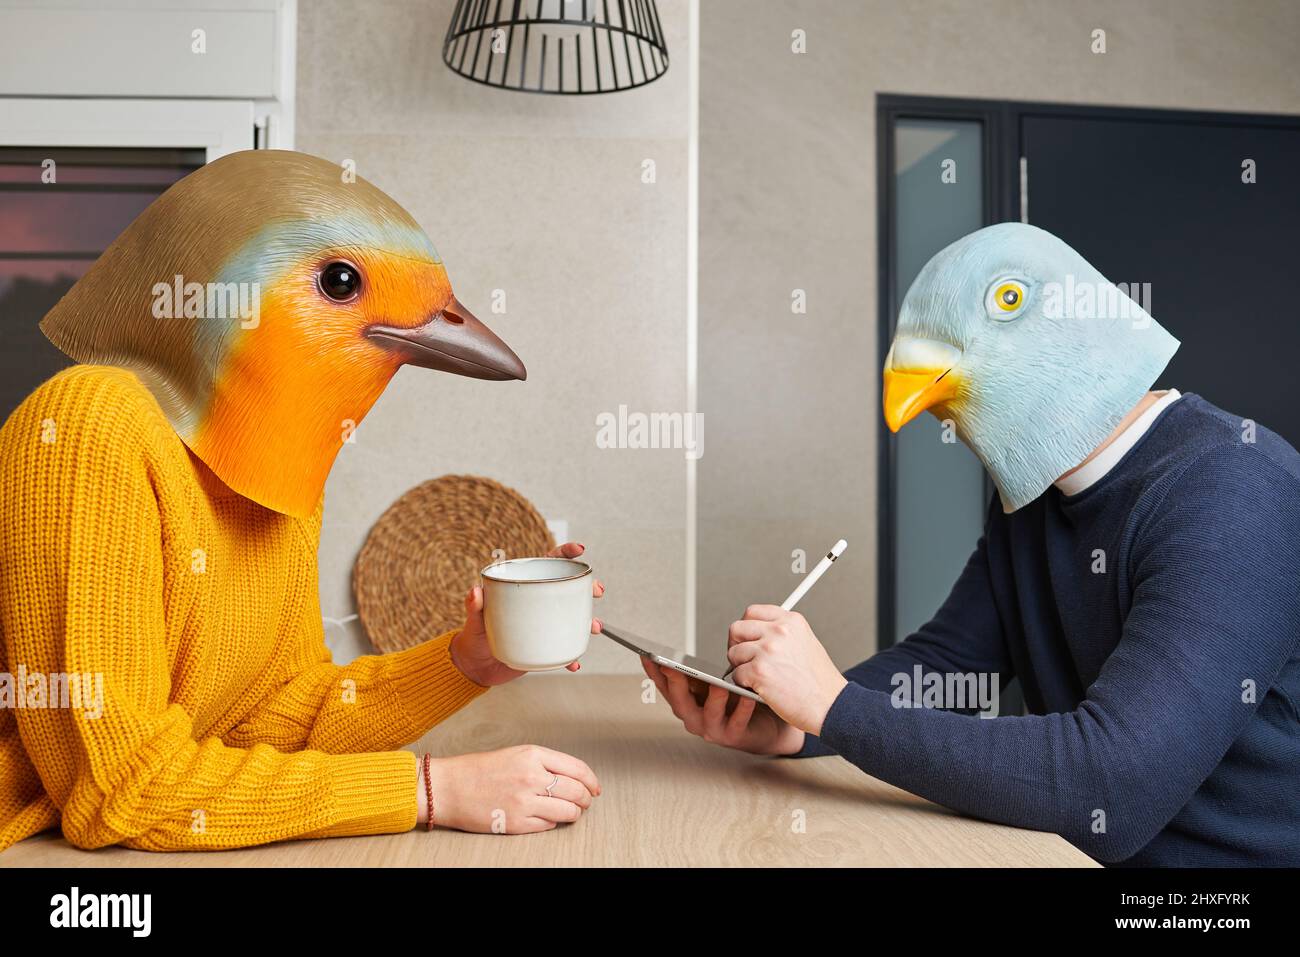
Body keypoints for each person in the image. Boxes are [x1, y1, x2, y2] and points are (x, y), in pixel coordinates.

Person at [0, 150, 601, 852]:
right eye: (341, 282)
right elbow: (122, 791)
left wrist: (464, 662)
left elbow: (270, 716)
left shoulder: (275, 463)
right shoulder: (90, 425)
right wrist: (430, 791)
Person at [648, 224, 1300, 866]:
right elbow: (950, 665)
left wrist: (834, 706)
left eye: (1008, 301)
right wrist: (796, 725)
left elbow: (1112, 789)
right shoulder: (1035, 500)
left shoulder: (1236, 489)